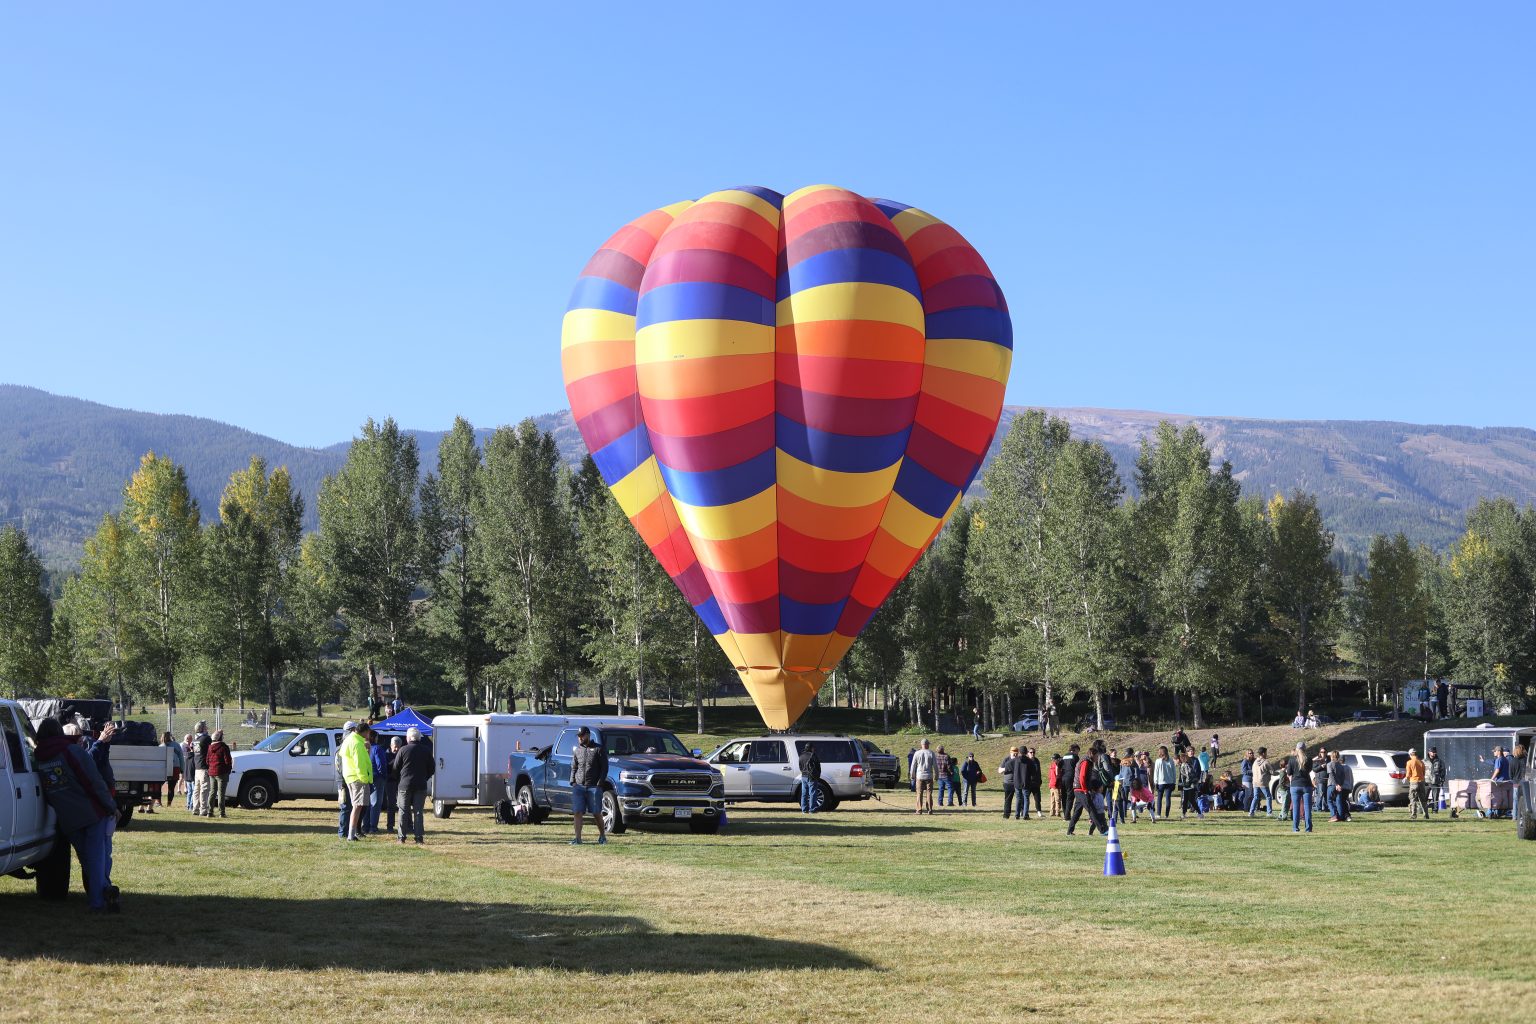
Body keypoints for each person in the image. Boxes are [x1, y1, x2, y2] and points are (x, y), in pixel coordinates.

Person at [34, 718, 119, 912]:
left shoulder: (39, 758)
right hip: (92, 812)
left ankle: (104, 892)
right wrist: (110, 805)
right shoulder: (71, 751)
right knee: (97, 858)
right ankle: (99, 900)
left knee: (86, 859)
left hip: (67, 817)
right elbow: (93, 781)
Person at [393, 727, 434, 844]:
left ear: (408, 738)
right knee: (418, 812)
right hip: (421, 784)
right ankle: (419, 837)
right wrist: (424, 777)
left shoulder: (403, 750)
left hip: (405, 784)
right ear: (419, 738)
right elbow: (432, 768)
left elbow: (395, 768)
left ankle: (401, 837)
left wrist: (399, 779)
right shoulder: (426, 750)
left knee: (403, 811)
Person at [569, 725, 608, 843]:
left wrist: (599, 784)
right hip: (578, 786)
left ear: (588, 735)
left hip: (594, 787)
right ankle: (578, 839)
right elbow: (574, 767)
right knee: (577, 812)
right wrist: (572, 781)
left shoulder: (598, 749)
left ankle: (602, 836)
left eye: (582, 735)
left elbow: (604, 768)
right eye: (578, 736)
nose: (580, 738)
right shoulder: (577, 750)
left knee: (596, 813)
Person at [339, 722, 373, 841]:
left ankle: (351, 833)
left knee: (356, 806)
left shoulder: (349, 740)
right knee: (357, 806)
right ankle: (351, 835)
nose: (369, 735)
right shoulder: (357, 743)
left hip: (350, 776)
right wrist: (365, 779)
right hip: (358, 778)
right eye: (368, 733)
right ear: (365, 732)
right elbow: (360, 763)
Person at [1066, 745, 1109, 836]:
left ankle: (1069, 831)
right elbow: (1082, 777)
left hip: (1078, 789)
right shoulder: (1086, 762)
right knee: (1091, 809)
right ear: (1092, 754)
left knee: (1077, 811)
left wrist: (1089, 789)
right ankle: (1102, 830)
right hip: (1081, 789)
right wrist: (1085, 790)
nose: (1097, 758)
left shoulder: (1087, 761)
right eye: (1096, 756)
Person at [1285, 743, 1313, 833]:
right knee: (1307, 808)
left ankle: (1295, 828)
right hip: (1306, 785)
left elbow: (1289, 772)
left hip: (1295, 785)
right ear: (1305, 749)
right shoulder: (1308, 759)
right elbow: (1309, 770)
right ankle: (1308, 828)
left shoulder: (1292, 759)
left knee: (1296, 808)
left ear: (1296, 749)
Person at [368, 731, 391, 833]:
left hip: (367, 777)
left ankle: (365, 826)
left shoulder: (365, 748)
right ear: (374, 737)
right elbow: (381, 764)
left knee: (367, 803)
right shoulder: (377, 748)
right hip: (377, 777)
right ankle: (373, 827)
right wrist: (384, 775)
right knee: (376, 803)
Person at [335, 722, 355, 838]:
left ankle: (346, 831)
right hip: (343, 781)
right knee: (345, 807)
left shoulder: (342, 746)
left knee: (348, 806)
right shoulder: (343, 747)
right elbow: (341, 767)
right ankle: (342, 832)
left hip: (344, 780)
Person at [206, 729, 233, 818]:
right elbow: (227, 761)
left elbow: (207, 761)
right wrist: (228, 770)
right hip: (222, 772)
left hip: (211, 772)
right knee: (221, 793)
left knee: (212, 792)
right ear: (220, 738)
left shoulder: (209, 747)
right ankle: (222, 813)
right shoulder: (223, 747)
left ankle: (210, 812)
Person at [190, 720, 212, 817]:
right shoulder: (206, 738)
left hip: (197, 767)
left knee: (196, 789)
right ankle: (203, 810)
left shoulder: (195, 740)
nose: (207, 727)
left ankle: (195, 808)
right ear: (202, 728)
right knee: (204, 789)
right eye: (205, 726)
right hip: (204, 767)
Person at [383, 737, 403, 834]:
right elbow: (385, 766)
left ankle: (406, 825)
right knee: (391, 804)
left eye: (398, 747)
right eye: (395, 747)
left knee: (403, 804)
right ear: (391, 745)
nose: (396, 749)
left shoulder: (402, 754)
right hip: (390, 781)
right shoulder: (386, 754)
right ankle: (390, 826)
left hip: (400, 781)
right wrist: (396, 761)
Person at [911, 739, 936, 814]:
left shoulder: (917, 753)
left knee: (919, 793)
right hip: (929, 776)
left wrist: (912, 775)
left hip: (920, 776)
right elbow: (935, 766)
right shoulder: (931, 753)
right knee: (929, 793)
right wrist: (936, 775)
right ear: (927, 745)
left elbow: (913, 765)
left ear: (921, 745)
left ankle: (919, 809)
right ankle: (930, 809)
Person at [1178, 750, 1204, 820]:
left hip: (1189, 785)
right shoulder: (1188, 764)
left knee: (1191, 800)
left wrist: (1186, 783)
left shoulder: (1185, 765)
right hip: (1188, 785)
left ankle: (1200, 813)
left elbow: (1188, 775)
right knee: (1185, 801)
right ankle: (1184, 814)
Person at [798, 740, 822, 814]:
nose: (813, 749)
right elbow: (818, 766)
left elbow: (800, 767)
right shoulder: (813, 755)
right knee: (812, 793)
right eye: (813, 748)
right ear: (811, 748)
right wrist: (817, 775)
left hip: (803, 776)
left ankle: (804, 810)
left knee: (804, 794)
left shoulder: (801, 756)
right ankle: (812, 809)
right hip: (812, 777)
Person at [1152, 745, 1176, 820]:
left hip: (1160, 782)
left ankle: (1158, 814)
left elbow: (1156, 772)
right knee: (1168, 799)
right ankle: (1166, 815)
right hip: (1170, 782)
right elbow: (1174, 772)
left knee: (1159, 799)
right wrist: (1174, 782)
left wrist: (1155, 782)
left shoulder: (1158, 761)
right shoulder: (1171, 760)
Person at [1248, 747, 1273, 817]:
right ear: (1263, 753)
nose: (1267, 754)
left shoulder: (1255, 762)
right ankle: (1269, 813)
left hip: (1255, 782)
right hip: (1263, 782)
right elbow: (1272, 772)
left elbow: (1253, 771)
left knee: (1255, 797)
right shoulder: (1266, 762)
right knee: (1268, 797)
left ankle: (1251, 812)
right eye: (1266, 753)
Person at [160, 730, 183, 808]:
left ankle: (158, 802)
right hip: (175, 767)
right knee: (171, 787)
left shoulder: (160, 746)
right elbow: (181, 757)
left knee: (158, 786)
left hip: (163, 768)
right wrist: (182, 768)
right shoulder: (176, 745)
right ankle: (169, 804)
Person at [1405, 748, 1429, 819]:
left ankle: (1414, 814)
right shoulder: (1421, 762)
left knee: (1413, 799)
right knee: (1423, 799)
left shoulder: (1409, 762)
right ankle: (1426, 814)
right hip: (1421, 782)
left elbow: (1408, 774)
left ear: (1410, 754)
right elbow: (1423, 773)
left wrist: (1408, 779)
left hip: (1413, 782)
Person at [1021, 747, 1042, 818]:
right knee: (1025, 798)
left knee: (1037, 799)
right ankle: (1023, 811)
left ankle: (1039, 812)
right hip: (1028, 783)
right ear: (1028, 753)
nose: (1032, 754)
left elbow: (1039, 771)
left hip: (1036, 783)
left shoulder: (1037, 760)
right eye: (1031, 752)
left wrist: (1040, 780)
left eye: (1033, 752)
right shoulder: (1026, 761)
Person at [999, 746, 1020, 819]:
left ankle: (1020, 814)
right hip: (1008, 783)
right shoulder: (1006, 759)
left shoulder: (1019, 760)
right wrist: (1007, 767)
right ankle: (1006, 814)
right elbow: (999, 771)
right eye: (1014, 753)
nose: (1015, 755)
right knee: (1008, 799)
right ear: (1010, 752)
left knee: (1020, 799)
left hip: (1017, 783)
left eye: (1016, 753)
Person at [1425, 747, 1445, 814]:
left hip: (1436, 781)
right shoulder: (1424, 761)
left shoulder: (1440, 761)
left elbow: (1443, 772)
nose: (1434, 753)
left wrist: (1442, 780)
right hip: (1426, 782)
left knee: (1435, 797)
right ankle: (1423, 809)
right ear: (1429, 752)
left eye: (1435, 752)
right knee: (1424, 797)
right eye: (1433, 752)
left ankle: (1435, 810)